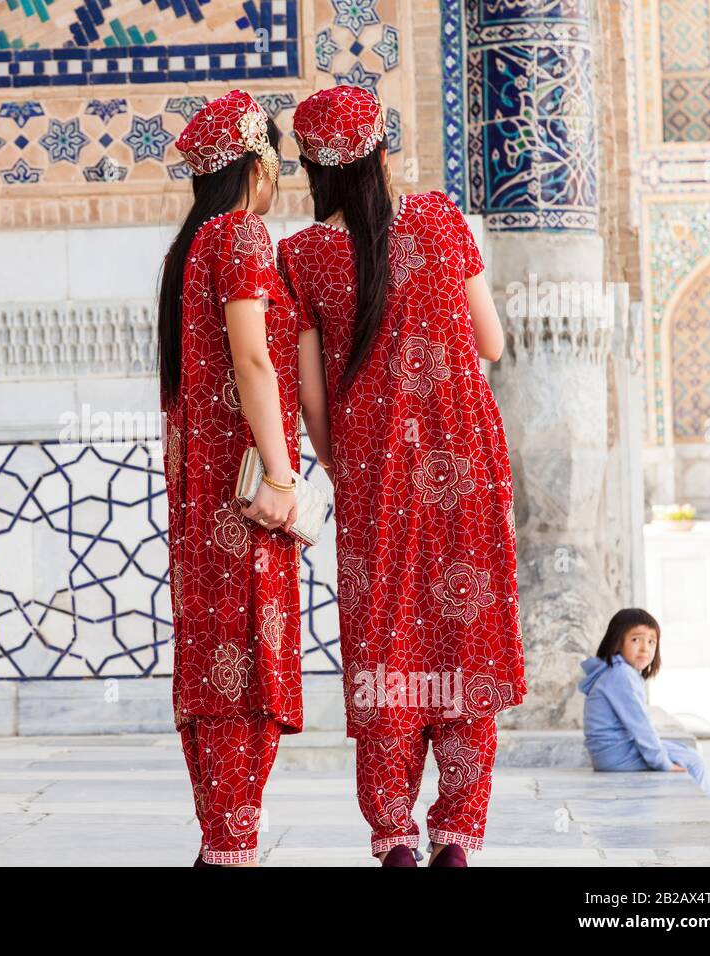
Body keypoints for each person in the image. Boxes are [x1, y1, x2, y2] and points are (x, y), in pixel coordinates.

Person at [276, 86, 525, 867]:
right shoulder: (442, 218)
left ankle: (394, 838)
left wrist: (345, 468)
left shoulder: (304, 254)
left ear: (314, 168)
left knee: (389, 647)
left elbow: (313, 397)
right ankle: (457, 834)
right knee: (465, 637)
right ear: (383, 150)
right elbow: (491, 343)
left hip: (376, 470)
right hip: (469, 462)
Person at [159, 89, 333, 867]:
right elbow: (255, 358)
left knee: (213, 667)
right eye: (276, 161)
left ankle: (219, 842)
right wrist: (284, 470)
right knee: (248, 674)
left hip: (201, 510)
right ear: (257, 165)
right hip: (246, 505)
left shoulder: (186, 251)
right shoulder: (243, 236)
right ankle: (231, 849)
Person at [579, 608, 710, 799]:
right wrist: (663, 763)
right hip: (615, 755)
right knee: (692, 760)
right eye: (636, 640)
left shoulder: (616, 672)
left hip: (610, 753)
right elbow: (640, 726)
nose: (645, 648)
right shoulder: (621, 675)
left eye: (652, 641)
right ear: (617, 642)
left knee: (684, 750)